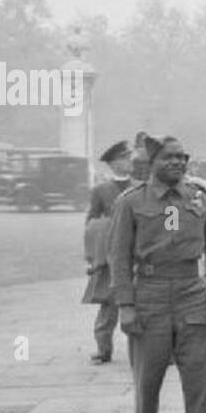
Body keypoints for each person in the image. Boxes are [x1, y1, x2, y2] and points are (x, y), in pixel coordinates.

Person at [108, 134, 206, 413]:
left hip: (191, 292)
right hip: (150, 292)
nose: (177, 163)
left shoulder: (197, 198)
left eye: (182, 157)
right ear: (152, 163)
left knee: (200, 378)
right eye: (169, 158)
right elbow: (118, 256)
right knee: (148, 379)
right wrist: (126, 305)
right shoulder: (130, 203)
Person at [83, 140, 134, 363]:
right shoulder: (101, 190)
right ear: (113, 164)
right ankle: (104, 349)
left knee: (148, 303)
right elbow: (92, 223)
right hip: (111, 257)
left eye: (128, 157)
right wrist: (93, 257)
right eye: (124, 159)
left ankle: (157, 350)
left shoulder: (142, 185)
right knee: (108, 305)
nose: (128, 162)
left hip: (139, 253)